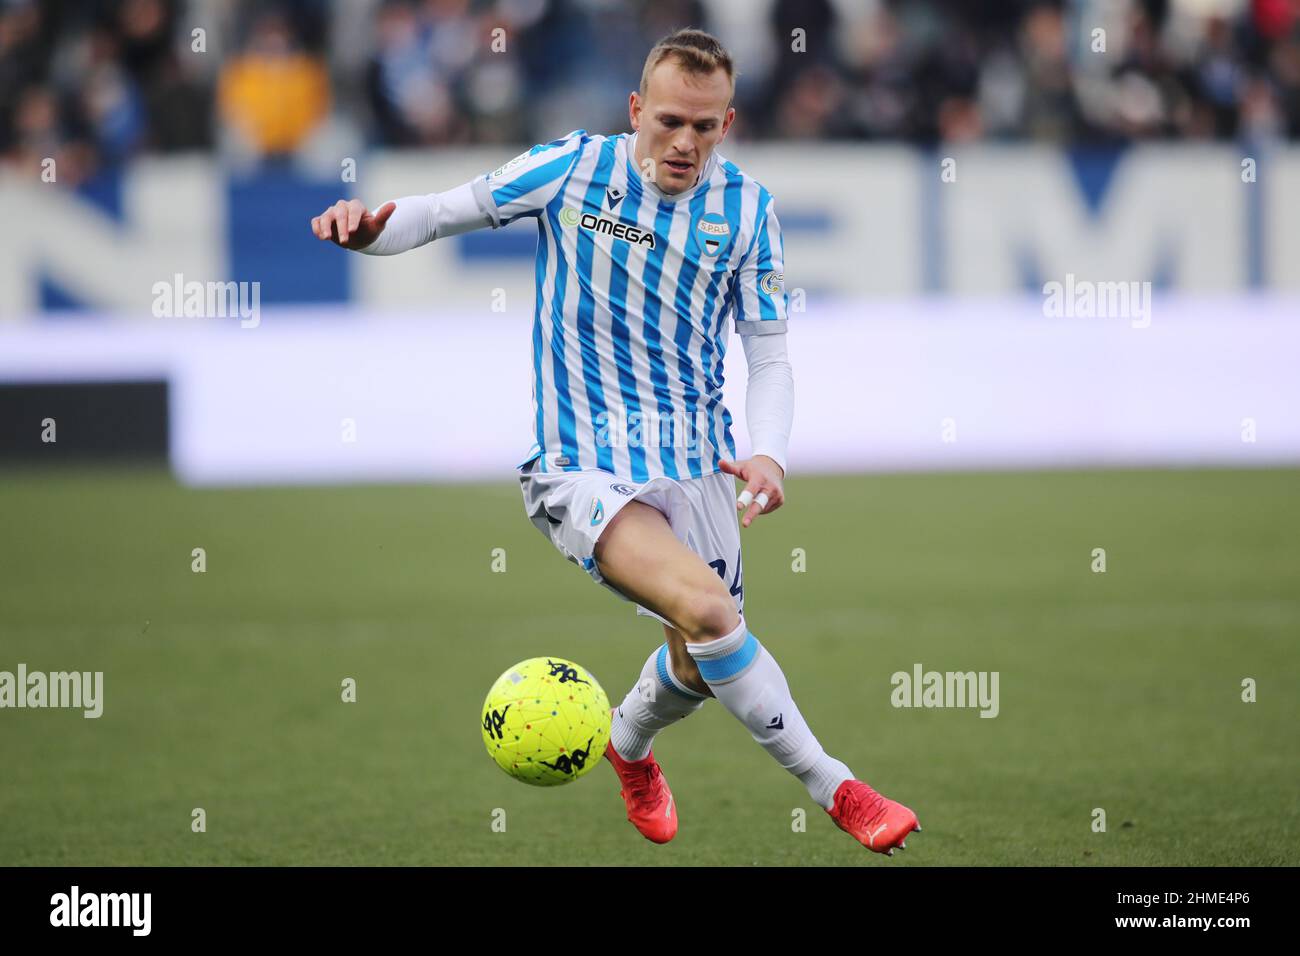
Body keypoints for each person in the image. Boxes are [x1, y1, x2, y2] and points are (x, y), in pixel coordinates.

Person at [311, 28, 919, 856]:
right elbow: (439, 212)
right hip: (581, 467)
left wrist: (769, 450)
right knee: (708, 610)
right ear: (636, 110)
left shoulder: (748, 212)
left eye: (705, 128)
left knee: (704, 661)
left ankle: (627, 748)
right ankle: (838, 787)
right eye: (669, 121)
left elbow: (769, 354)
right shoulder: (572, 170)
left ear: (727, 124)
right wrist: (366, 229)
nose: (684, 143)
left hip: (699, 469)